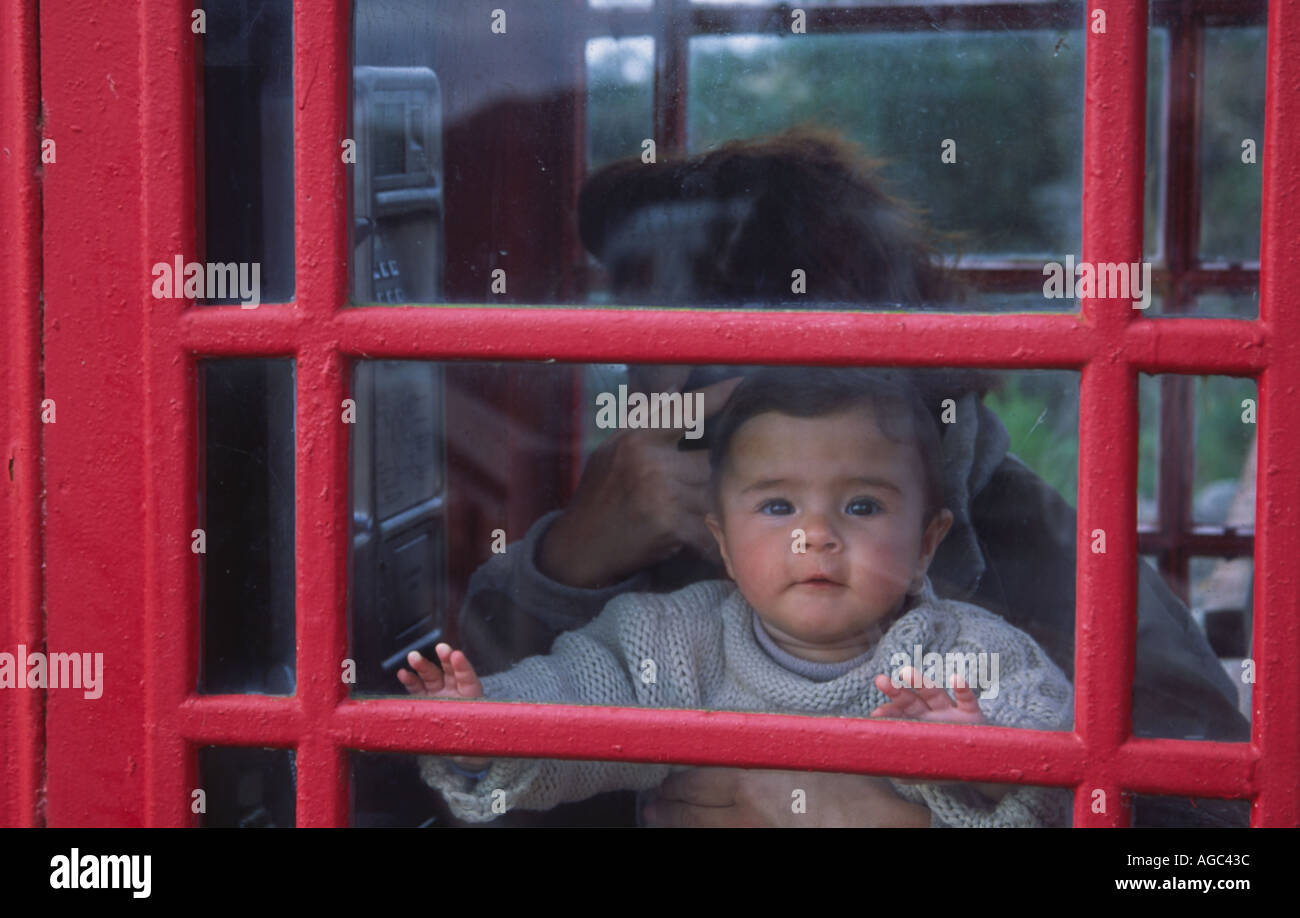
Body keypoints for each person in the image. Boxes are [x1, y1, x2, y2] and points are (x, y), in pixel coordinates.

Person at [452, 127, 1250, 827]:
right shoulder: (641, 519)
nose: (645, 411)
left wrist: (876, 819)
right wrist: (577, 556)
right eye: (630, 360)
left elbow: (1215, 862)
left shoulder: (1031, 554)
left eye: (677, 366)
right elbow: (456, 777)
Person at [401, 368, 1074, 826]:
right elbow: (572, 697)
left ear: (928, 542)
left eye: (862, 505)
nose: (816, 536)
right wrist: (487, 729)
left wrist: (988, 762)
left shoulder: (969, 657)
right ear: (721, 544)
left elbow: (1067, 781)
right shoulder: (673, 640)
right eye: (779, 505)